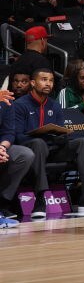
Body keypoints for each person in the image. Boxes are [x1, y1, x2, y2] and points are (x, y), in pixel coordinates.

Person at [13, 68, 84, 217]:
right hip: (32, 151)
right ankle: (40, 199)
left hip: (53, 149)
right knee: (38, 143)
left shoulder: (54, 105)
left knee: (83, 142)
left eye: (51, 80)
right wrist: (39, 135)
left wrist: (59, 136)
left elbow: (61, 132)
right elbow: (18, 137)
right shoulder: (20, 105)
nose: (48, 84)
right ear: (33, 83)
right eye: (44, 80)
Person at [0, 89, 33, 227]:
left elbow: (8, 132)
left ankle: (2, 203)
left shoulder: (5, 99)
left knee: (25, 154)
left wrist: (2, 148)